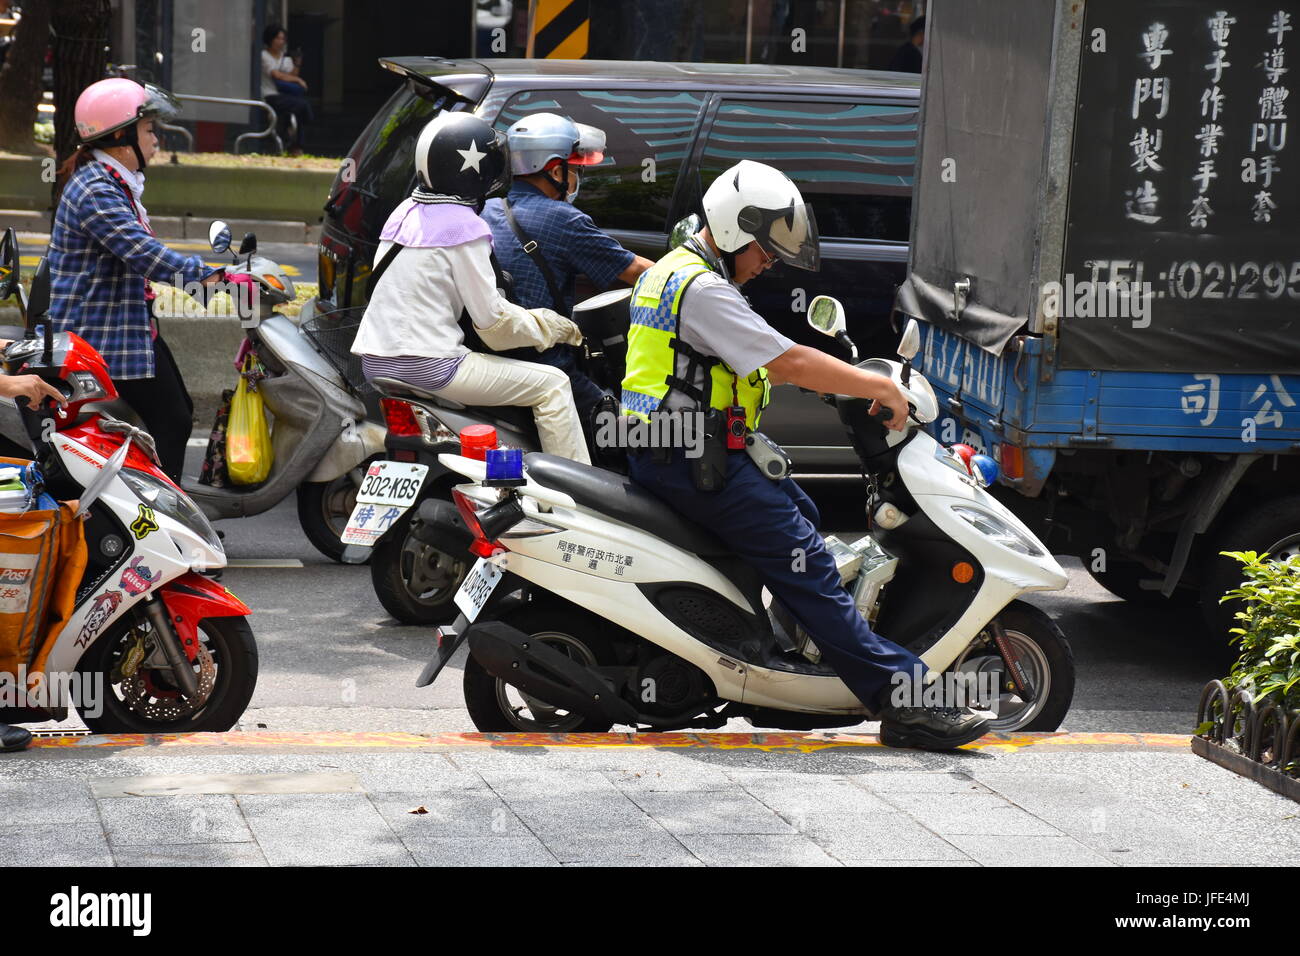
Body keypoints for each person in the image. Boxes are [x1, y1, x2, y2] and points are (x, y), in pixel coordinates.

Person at [620, 159, 990, 750]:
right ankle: (910, 702)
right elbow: (784, 359)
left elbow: (736, 361)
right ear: (736, 231)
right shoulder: (706, 290)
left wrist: (836, 381)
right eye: (765, 249)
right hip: (691, 458)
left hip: (675, 448)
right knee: (810, 566)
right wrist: (878, 386)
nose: (769, 262)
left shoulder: (674, 270)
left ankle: (795, 645)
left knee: (808, 521)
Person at [351, 111, 591, 464]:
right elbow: (494, 326)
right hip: (431, 365)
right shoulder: (465, 228)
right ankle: (573, 495)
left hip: (375, 363)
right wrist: (551, 328)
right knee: (552, 384)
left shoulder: (404, 211)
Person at [48, 78, 217, 484]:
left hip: (127, 326)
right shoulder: (96, 189)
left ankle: (166, 508)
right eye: (149, 130)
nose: (156, 139)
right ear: (122, 136)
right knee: (172, 420)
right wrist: (212, 276)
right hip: (99, 335)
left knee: (177, 414)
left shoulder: (114, 183)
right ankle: (166, 518)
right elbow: (144, 253)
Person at [481, 113, 653, 429]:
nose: (576, 178)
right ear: (556, 170)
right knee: (628, 433)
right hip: (546, 364)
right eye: (573, 170)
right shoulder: (564, 219)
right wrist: (694, 278)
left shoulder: (486, 209)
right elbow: (641, 272)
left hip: (490, 362)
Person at [260, 24, 311, 156]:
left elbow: (292, 75)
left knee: (299, 111)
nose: (281, 42)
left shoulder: (285, 57)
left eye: (283, 39)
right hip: (270, 95)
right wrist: (298, 81)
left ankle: (295, 144)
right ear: (270, 39)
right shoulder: (264, 56)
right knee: (302, 106)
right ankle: (296, 136)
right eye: (278, 38)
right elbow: (276, 75)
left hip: (285, 95)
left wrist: (297, 64)